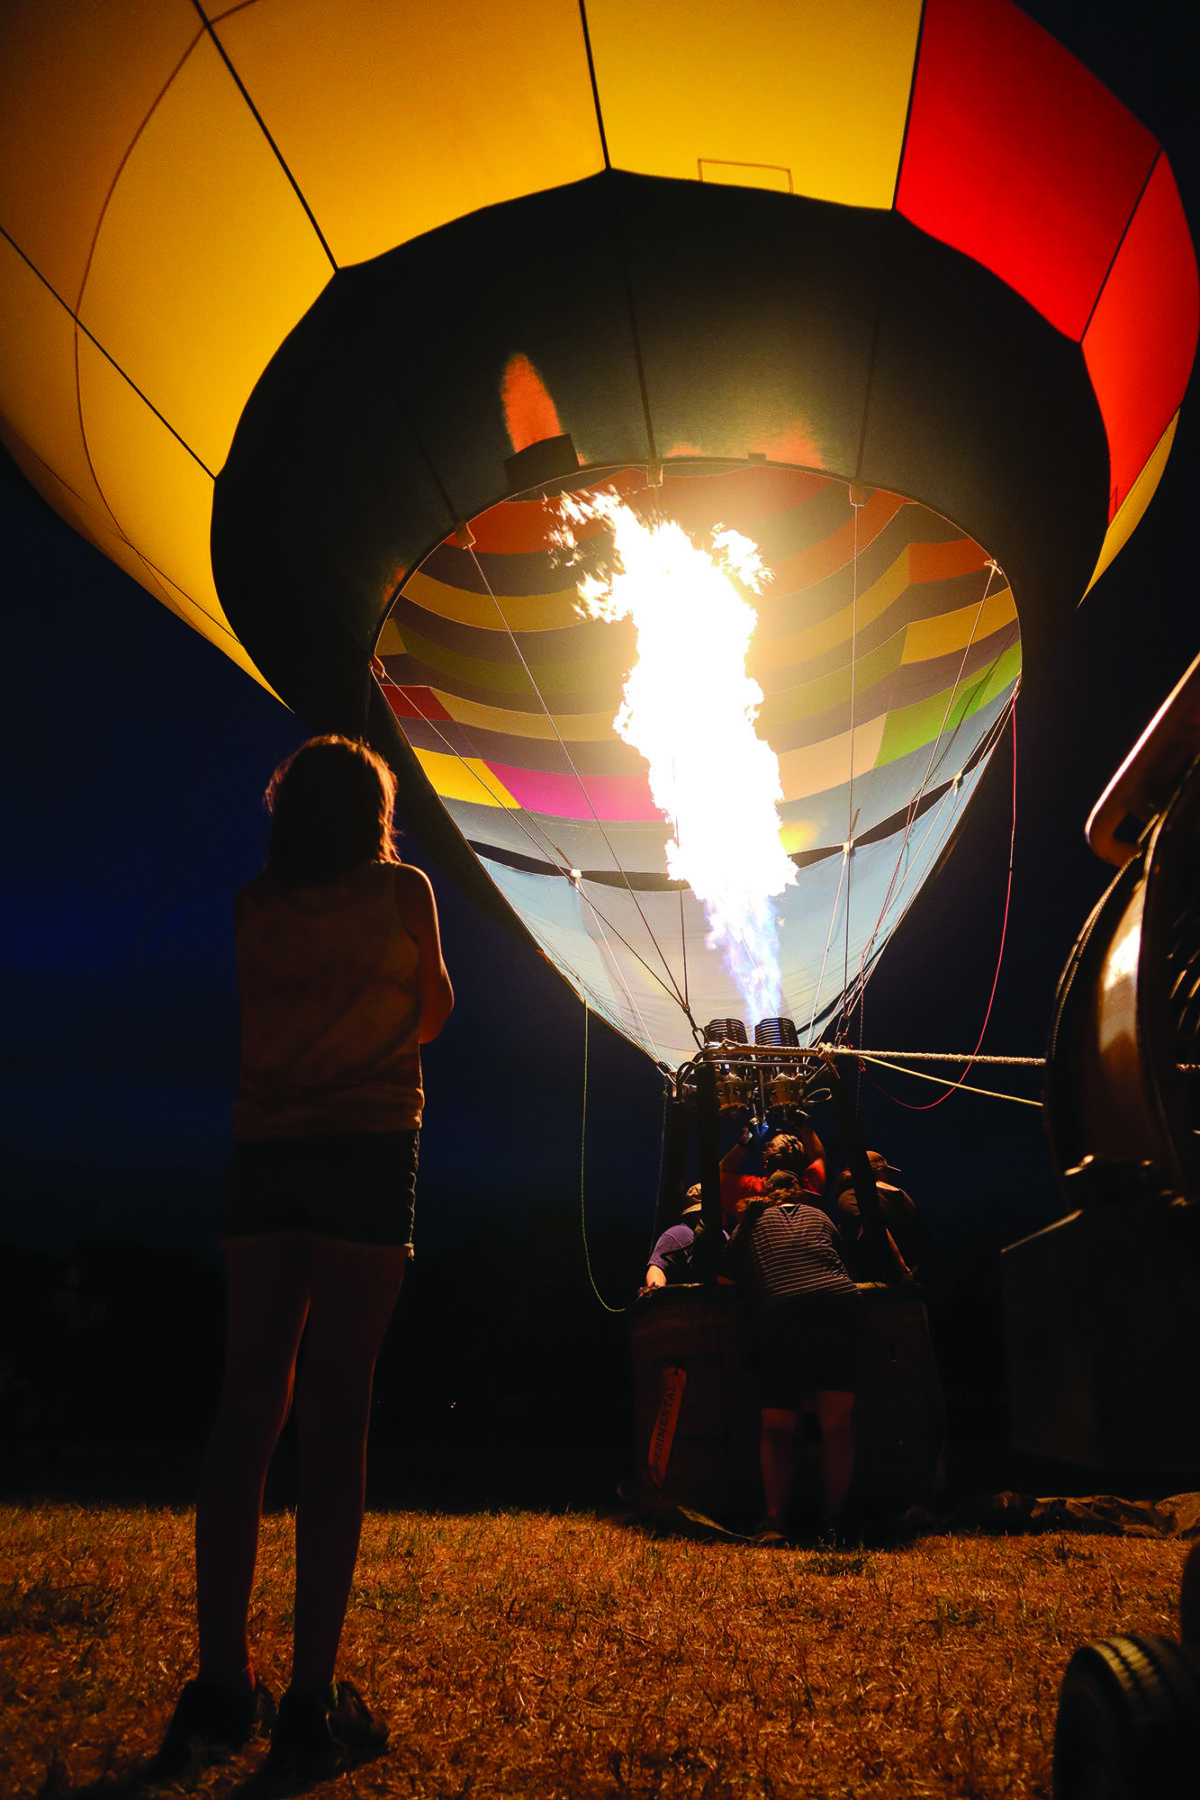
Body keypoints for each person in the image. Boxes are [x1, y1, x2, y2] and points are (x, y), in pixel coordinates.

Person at [156, 735, 453, 1784]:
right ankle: (311, 1699)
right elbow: (436, 1012)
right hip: (370, 1154)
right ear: (375, 811)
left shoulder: (252, 905)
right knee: (338, 1418)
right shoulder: (404, 889)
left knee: (247, 1414)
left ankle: (219, 1683)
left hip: (264, 1160)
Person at [725, 1168, 866, 1542]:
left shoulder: (748, 1225)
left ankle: (775, 1520)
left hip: (782, 1313)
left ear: (767, 1192)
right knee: (836, 1425)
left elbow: (725, 1282)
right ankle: (832, 1521)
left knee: (776, 1427)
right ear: (801, 1192)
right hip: (841, 1307)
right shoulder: (819, 1216)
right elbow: (840, 1261)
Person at [834, 1151, 923, 1281]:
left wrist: (902, 1269)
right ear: (881, 1171)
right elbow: (919, 1235)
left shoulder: (850, 1197)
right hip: (910, 1277)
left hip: (879, 1282)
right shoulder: (903, 1196)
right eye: (887, 1172)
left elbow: (876, 1228)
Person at [719, 1120, 826, 1218]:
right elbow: (819, 1158)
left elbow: (718, 1178)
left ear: (766, 1164)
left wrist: (746, 1140)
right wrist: (802, 1122)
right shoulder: (809, 1190)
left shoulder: (753, 1190)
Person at [640, 1183, 729, 1293]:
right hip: (685, 1304)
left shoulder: (723, 1236)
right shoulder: (679, 1234)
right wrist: (654, 1291)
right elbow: (657, 1268)